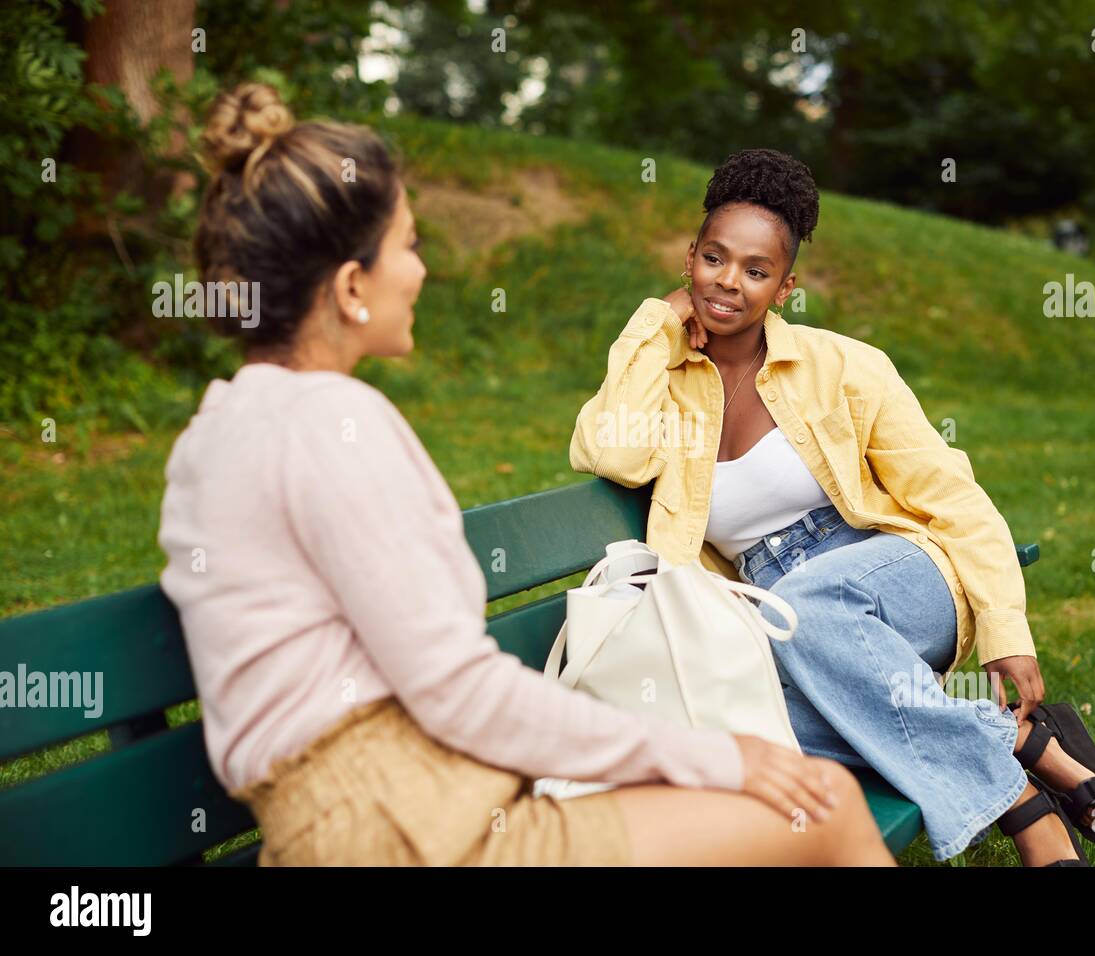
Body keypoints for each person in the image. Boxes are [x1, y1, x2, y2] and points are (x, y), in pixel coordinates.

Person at [157, 84, 890, 866]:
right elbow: (459, 694)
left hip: (375, 816)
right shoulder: (330, 429)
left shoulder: (217, 431)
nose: (422, 268)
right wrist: (720, 757)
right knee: (830, 807)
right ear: (349, 288)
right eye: (407, 245)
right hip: (415, 830)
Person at [570, 148, 1095, 865]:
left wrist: (1006, 628)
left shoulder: (844, 367)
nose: (729, 283)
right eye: (714, 259)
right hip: (777, 616)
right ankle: (1019, 743)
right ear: (689, 260)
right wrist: (655, 323)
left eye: (756, 270)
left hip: (896, 577)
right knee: (741, 722)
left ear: (785, 286)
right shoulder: (668, 380)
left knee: (814, 601)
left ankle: (1028, 815)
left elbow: (954, 498)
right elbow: (607, 452)